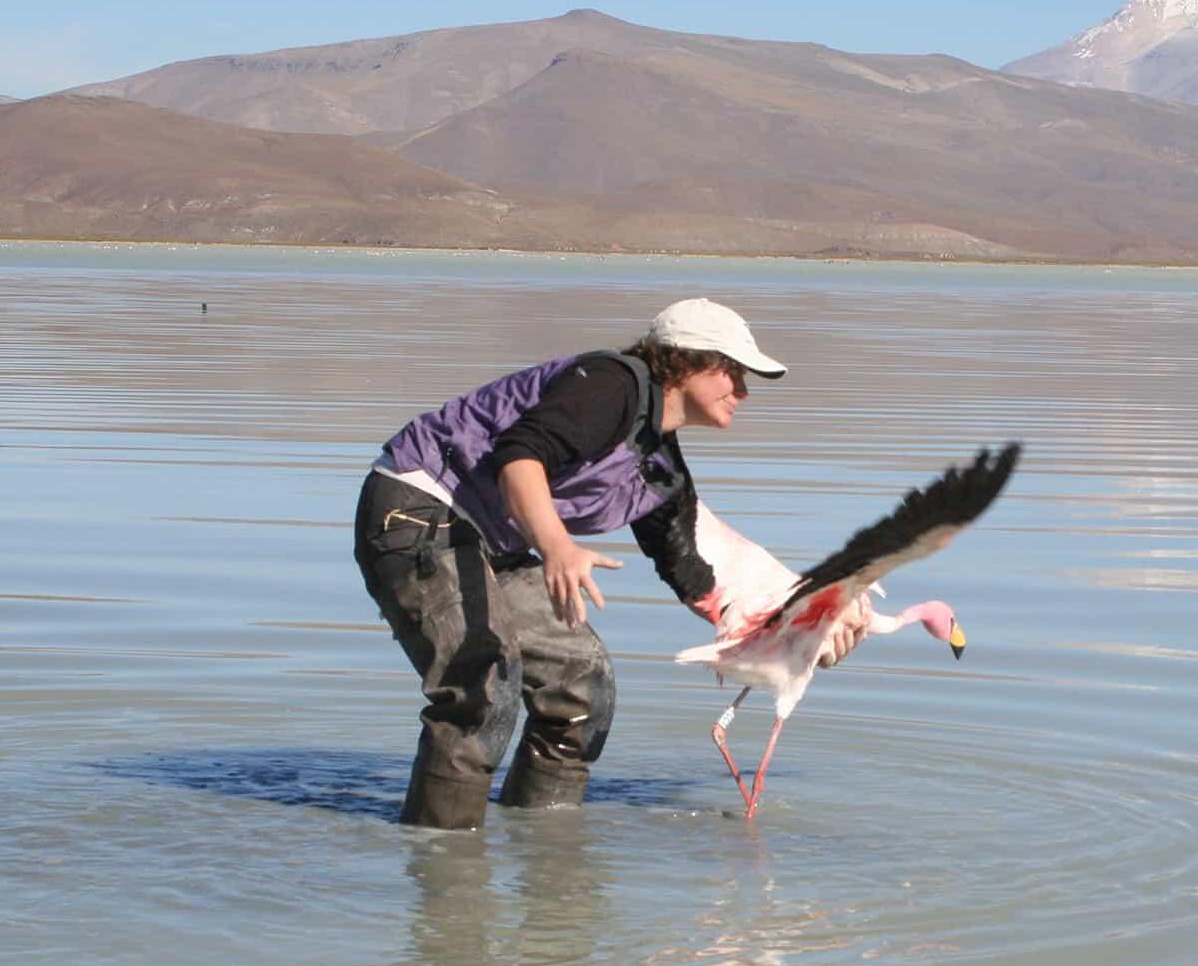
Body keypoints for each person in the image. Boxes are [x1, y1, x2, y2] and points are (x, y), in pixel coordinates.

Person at [352, 298, 867, 829]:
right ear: (687, 363)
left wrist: (799, 637)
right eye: (732, 372)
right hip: (419, 510)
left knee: (581, 683)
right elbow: (520, 456)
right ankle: (445, 864)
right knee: (482, 684)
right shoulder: (610, 384)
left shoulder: (659, 466)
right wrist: (557, 548)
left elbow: (695, 573)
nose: (743, 390)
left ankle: (542, 845)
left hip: (491, 545)